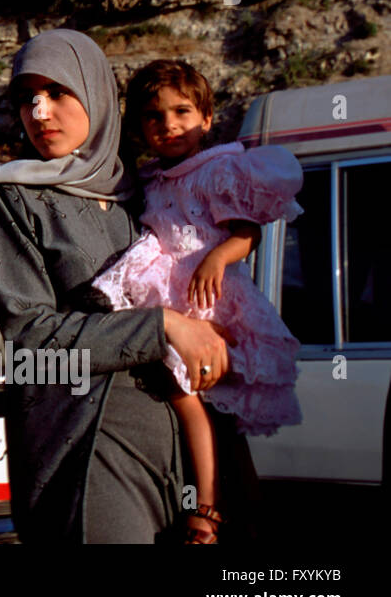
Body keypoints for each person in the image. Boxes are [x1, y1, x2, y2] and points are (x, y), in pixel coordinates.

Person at [0, 28, 230, 543]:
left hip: (177, 443)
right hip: (84, 440)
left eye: (57, 92)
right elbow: (29, 340)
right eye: (26, 98)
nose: (39, 112)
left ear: (97, 93)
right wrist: (164, 327)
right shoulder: (15, 197)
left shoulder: (141, 194)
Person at [92, 60, 302, 542]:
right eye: (154, 116)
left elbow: (248, 233)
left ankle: (206, 507)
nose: (168, 125)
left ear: (206, 118)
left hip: (209, 298)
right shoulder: (150, 179)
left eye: (181, 112)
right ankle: (202, 500)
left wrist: (217, 260)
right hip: (170, 297)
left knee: (189, 400)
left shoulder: (218, 170)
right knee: (184, 399)